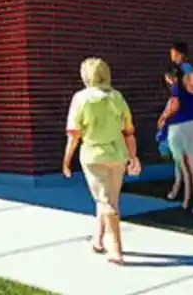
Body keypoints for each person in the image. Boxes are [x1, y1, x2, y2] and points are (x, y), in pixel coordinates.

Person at [62, 57, 141, 265]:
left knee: (105, 202)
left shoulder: (80, 98)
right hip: (118, 156)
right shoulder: (117, 97)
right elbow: (129, 132)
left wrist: (66, 161)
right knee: (108, 200)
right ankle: (98, 240)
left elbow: (74, 135)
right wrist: (133, 157)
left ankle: (116, 250)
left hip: (93, 156)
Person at [157, 41, 193, 215]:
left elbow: (175, 102)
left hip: (179, 123)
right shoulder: (192, 71)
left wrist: (164, 118)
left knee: (181, 163)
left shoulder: (177, 73)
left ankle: (184, 198)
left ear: (177, 54)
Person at [160, 67, 189, 209]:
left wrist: (164, 118)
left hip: (177, 130)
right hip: (180, 129)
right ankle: (178, 189)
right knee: (180, 162)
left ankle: (177, 190)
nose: (169, 83)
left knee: (180, 163)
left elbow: (172, 109)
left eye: (169, 80)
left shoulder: (178, 93)